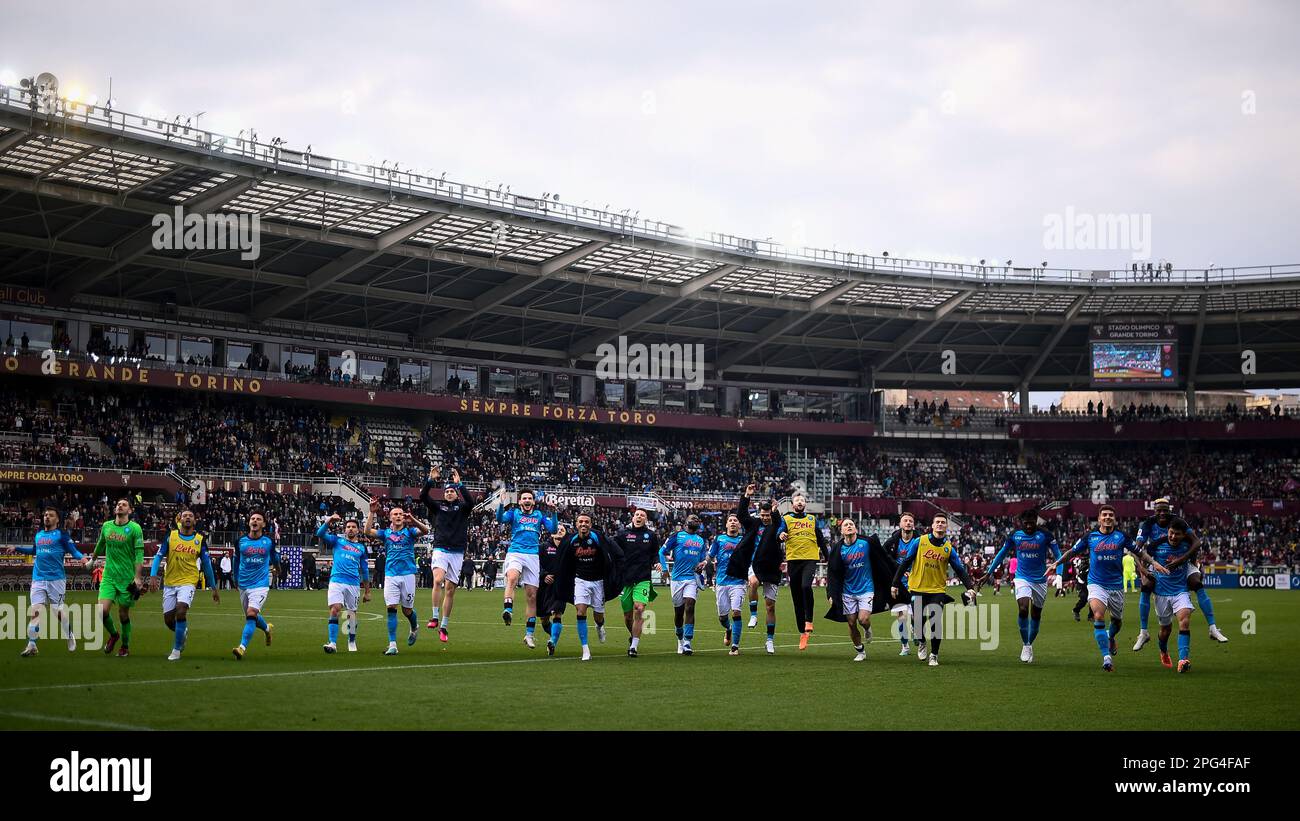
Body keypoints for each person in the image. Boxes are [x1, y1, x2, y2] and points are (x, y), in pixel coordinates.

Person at [1048, 505, 1166, 672]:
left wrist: (1153, 563)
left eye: (1111, 515)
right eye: (1104, 515)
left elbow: (1139, 552)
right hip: (1096, 584)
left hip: (1116, 586)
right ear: (1099, 518)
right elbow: (1072, 551)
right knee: (1098, 615)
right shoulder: (1090, 536)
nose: (1108, 517)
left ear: (1114, 518)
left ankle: (1110, 636)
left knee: (1117, 622)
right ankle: (1106, 657)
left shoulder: (1121, 536)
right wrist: (1057, 563)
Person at [1133, 497, 1229, 650]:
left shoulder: (1178, 521)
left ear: (1170, 510)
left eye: (1165, 510)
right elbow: (1136, 549)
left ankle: (1213, 628)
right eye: (1159, 510)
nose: (1163, 513)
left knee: (1197, 583)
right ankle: (1143, 632)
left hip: (1183, 561)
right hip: (1159, 561)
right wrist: (1142, 570)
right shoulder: (1147, 524)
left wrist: (1181, 560)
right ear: (1154, 511)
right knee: (1146, 585)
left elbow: (1196, 542)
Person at [890, 513, 977, 668]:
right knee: (917, 623)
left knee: (935, 621)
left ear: (946, 526)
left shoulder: (948, 548)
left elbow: (960, 569)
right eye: (937, 522)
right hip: (917, 588)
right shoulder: (920, 541)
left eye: (943, 522)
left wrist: (971, 588)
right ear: (932, 525)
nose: (940, 524)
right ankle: (922, 641)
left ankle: (934, 655)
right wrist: (895, 583)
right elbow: (906, 562)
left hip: (937, 590)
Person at [980, 507, 1062, 664]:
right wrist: (989, 572)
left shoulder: (1045, 535)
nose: (1029, 526)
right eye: (1026, 523)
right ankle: (1025, 645)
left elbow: (1058, 555)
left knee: (1036, 615)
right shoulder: (1015, 535)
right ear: (1021, 523)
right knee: (1023, 608)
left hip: (1040, 580)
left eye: (1032, 523)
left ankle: (1030, 644)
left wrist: (1059, 574)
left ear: (1036, 521)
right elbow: (1002, 553)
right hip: (1022, 577)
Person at [11, 507, 91, 656]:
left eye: (51, 515)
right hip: (38, 579)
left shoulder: (61, 534)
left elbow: (73, 551)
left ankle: (69, 635)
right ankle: (32, 644)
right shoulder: (39, 534)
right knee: (35, 612)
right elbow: (34, 551)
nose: (47, 517)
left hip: (56, 580)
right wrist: (17, 548)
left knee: (58, 612)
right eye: (45, 515)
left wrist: (83, 558)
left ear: (57, 519)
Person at [823, 518, 901, 662]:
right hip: (847, 591)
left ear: (856, 529)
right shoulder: (838, 549)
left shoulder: (867, 543)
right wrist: (831, 594)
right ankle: (860, 651)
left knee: (863, 619)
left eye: (851, 524)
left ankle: (867, 628)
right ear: (841, 531)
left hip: (867, 588)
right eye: (846, 525)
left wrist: (898, 570)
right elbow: (832, 573)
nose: (849, 526)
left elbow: (884, 557)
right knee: (852, 623)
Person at [148, 509, 219, 661]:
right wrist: (153, 575)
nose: (187, 518)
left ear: (195, 521)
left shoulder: (200, 540)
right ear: (180, 519)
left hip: (189, 581)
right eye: (185, 515)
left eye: (191, 516)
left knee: (181, 611)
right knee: (168, 620)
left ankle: (176, 650)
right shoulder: (171, 536)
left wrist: (213, 587)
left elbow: (206, 564)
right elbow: (159, 556)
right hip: (170, 582)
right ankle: (182, 632)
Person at [726, 484, 786, 655]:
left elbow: (781, 527)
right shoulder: (754, 524)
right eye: (763, 515)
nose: (766, 518)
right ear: (759, 514)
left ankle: (769, 640)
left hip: (772, 567)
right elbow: (741, 515)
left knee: (770, 607)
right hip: (755, 564)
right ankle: (753, 614)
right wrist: (746, 495)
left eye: (768, 515)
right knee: (752, 582)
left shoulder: (776, 524)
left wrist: (777, 516)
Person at [556, 512, 624, 661]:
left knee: (598, 616)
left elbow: (612, 553)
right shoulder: (571, 540)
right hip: (580, 581)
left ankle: (600, 626)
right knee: (580, 611)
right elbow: (563, 560)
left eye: (586, 522)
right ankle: (585, 649)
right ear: (576, 524)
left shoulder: (597, 538)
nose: (583, 524)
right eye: (580, 522)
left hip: (598, 581)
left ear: (590, 524)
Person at [494, 488, 556, 648]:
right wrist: (501, 503)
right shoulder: (514, 513)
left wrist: (554, 513)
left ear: (533, 502)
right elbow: (500, 518)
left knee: (532, 596)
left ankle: (529, 635)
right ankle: (508, 610)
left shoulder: (539, 515)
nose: (527, 500)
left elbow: (553, 530)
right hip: (516, 552)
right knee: (512, 578)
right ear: (520, 501)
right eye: (524, 498)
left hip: (533, 556)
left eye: (530, 498)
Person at [420, 466, 476, 644]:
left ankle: (443, 626)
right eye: (447, 491)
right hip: (441, 548)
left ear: (456, 493)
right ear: (444, 494)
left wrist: (460, 485)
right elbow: (423, 497)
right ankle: (434, 616)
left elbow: (471, 502)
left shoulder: (462, 508)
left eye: (452, 491)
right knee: (437, 580)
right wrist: (430, 480)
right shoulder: (438, 507)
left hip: (457, 552)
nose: (450, 493)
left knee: (450, 590)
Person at [365, 499, 429, 656]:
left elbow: (426, 530)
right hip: (391, 575)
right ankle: (392, 644)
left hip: (407, 575)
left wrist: (412, 519)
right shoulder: (385, 533)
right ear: (390, 517)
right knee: (391, 608)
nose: (399, 516)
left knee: (407, 610)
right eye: (395, 514)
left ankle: (414, 626)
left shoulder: (410, 532)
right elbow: (367, 531)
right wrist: (372, 512)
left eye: (401, 514)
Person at [90, 498, 147, 658]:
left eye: (124, 504)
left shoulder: (135, 528)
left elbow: (139, 554)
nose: (119, 506)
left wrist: (137, 577)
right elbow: (101, 543)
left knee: (123, 614)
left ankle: (125, 646)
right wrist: (92, 560)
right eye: (118, 504)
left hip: (127, 579)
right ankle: (114, 635)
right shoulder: (107, 526)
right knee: (102, 611)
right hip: (109, 576)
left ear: (130, 511)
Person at [1149, 518, 1199, 672]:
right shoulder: (1157, 546)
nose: (1173, 537)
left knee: (1184, 621)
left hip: (1180, 591)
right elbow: (1142, 556)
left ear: (1183, 535)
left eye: (1177, 534)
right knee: (1165, 630)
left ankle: (1183, 660)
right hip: (1161, 592)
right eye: (1171, 533)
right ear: (1167, 532)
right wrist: (1145, 574)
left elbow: (1195, 557)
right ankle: (1163, 650)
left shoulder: (1187, 546)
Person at [317, 513, 371, 653]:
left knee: (351, 614)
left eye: (353, 527)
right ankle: (332, 643)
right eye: (348, 527)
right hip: (336, 580)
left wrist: (367, 591)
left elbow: (364, 570)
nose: (351, 529)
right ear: (344, 529)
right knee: (335, 609)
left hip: (353, 583)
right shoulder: (337, 541)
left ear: (358, 530)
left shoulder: (361, 548)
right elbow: (320, 533)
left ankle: (351, 640)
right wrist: (329, 521)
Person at [657, 514, 709, 655]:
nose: (696, 520)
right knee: (678, 613)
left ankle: (687, 642)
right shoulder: (677, 536)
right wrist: (664, 569)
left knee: (690, 605)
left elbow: (703, 558)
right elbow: (662, 552)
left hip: (692, 578)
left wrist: (702, 564)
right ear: (686, 522)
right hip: (677, 579)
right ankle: (679, 638)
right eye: (693, 518)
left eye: (698, 519)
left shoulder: (701, 540)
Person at [782, 492, 827, 651]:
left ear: (805, 504)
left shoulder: (812, 519)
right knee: (796, 597)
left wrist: (828, 557)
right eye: (797, 500)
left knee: (806, 587)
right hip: (793, 560)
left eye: (802, 500)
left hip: (810, 558)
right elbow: (779, 531)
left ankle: (809, 620)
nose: (800, 502)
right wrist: (780, 534)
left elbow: (820, 539)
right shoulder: (786, 519)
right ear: (793, 505)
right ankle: (802, 632)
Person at [613, 507, 660, 657]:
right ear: (633, 518)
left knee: (639, 609)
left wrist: (657, 562)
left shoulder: (651, 535)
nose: (639, 517)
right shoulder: (623, 535)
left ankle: (633, 647)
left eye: (642, 515)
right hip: (626, 579)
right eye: (637, 515)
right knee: (627, 616)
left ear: (646, 519)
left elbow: (655, 554)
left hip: (643, 579)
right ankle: (633, 636)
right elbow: (612, 548)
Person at [231, 511, 277, 660]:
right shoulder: (240, 541)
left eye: (258, 519)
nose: (255, 521)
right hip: (244, 584)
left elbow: (274, 557)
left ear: (263, 524)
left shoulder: (268, 542)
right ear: (249, 522)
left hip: (260, 584)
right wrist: (235, 577)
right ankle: (267, 628)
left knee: (251, 614)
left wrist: (279, 567)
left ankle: (241, 648)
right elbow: (236, 560)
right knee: (252, 616)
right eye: (252, 519)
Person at [707, 513, 746, 655]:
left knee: (736, 611)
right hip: (722, 582)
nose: (733, 522)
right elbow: (710, 557)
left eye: (736, 520)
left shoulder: (744, 540)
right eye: (730, 520)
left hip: (738, 582)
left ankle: (735, 646)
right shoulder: (719, 539)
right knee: (722, 617)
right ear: (726, 525)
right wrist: (705, 564)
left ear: (739, 525)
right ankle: (728, 629)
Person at [882, 513, 920, 656]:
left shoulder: (919, 540)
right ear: (900, 524)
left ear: (913, 524)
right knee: (901, 617)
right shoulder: (892, 541)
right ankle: (905, 646)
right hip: (898, 583)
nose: (908, 523)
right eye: (905, 520)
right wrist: (898, 570)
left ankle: (916, 628)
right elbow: (884, 554)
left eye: (911, 520)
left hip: (916, 582)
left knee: (917, 615)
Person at [538, 524, 570, 655]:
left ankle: (552, 641)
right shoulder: (543, 547)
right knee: (544, 619)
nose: (559, 531)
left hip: (560, 586)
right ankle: (553, 635)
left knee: (557, 613)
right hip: (544, 587)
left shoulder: (569, 549)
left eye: (562, 530)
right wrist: (544, 575)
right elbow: (535, 564)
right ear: (552, 533)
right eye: (557, 529)